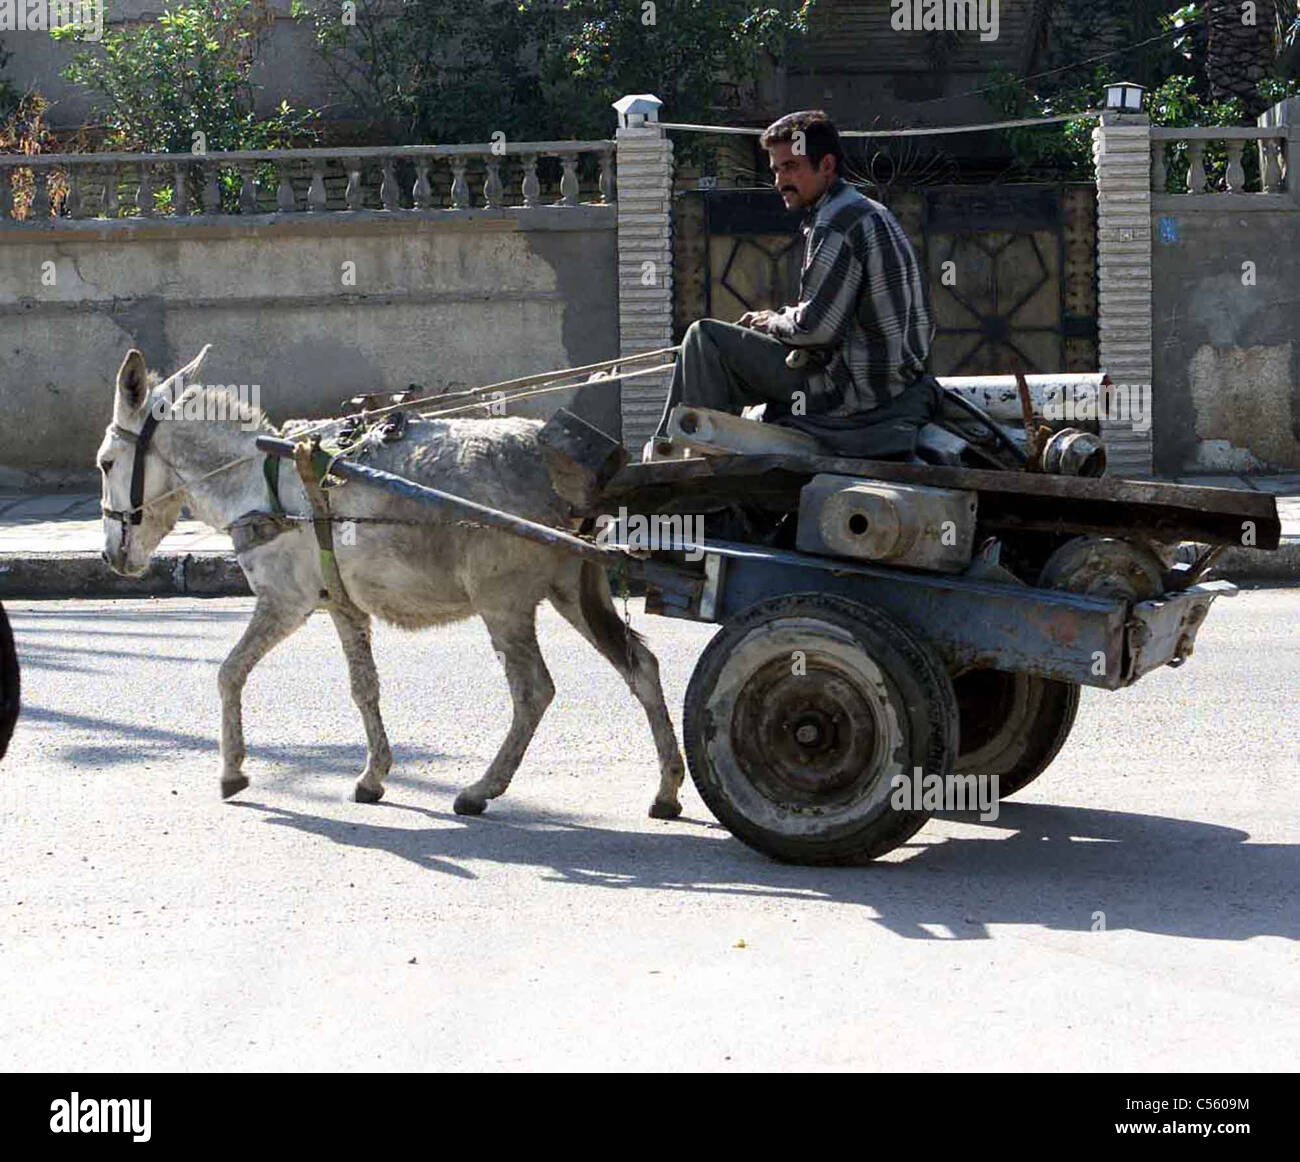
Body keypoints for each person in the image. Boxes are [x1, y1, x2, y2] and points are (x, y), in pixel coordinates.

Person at [647, 109, 940, 460]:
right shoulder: (866, 210)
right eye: (775, 170)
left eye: (791, 168)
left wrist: (772, 322)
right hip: (889, 382)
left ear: (826, 166)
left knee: (703, 339)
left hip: (851, 391)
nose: (779, 182)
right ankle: (684, 451)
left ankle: (681, 467)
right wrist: (776, 318)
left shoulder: (836, 223)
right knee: (722, 350)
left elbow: (818, 330)